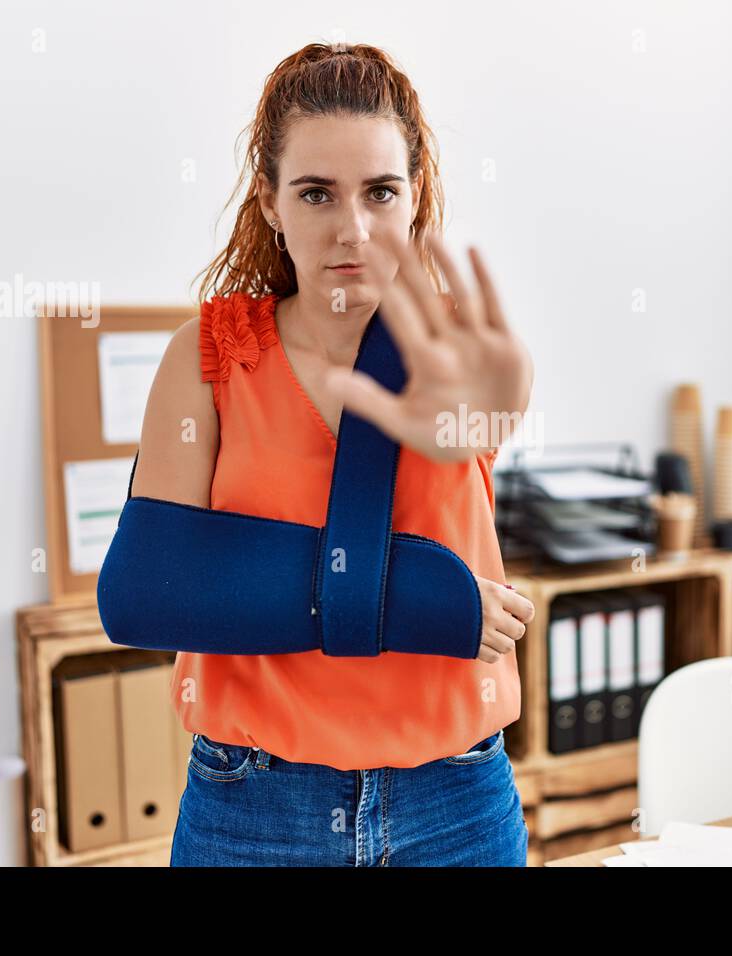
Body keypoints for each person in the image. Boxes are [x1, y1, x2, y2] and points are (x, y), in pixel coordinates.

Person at [131, 41, 537, 866]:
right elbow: (149, 591)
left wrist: (489, 410)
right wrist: (411, 597)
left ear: (415, 196)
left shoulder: (453, 352)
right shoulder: (208, 357)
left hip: (454, 801)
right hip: (253, 806)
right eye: (316, 193)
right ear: (271, 203)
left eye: (381, 192)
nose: (352, 229)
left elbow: (491, 407)